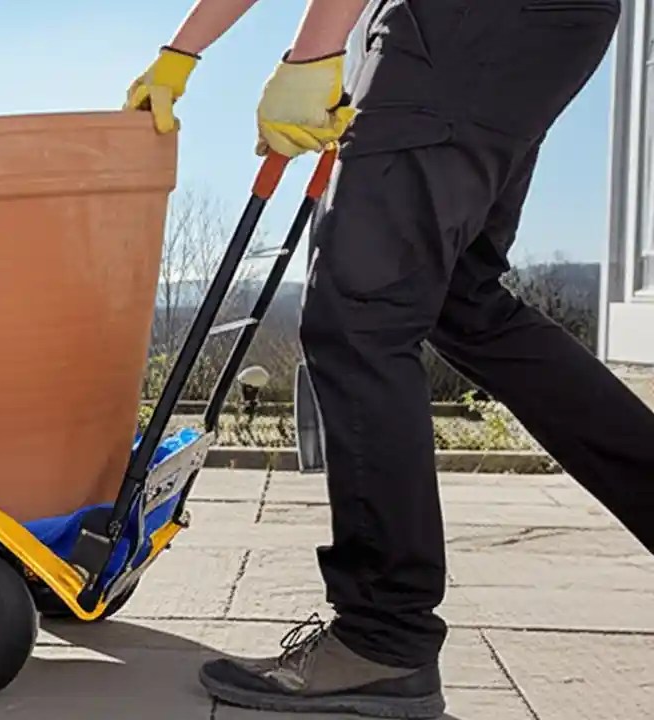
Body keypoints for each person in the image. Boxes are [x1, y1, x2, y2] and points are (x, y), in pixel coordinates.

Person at [124, 1, 654, 718]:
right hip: (517, 28)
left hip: (466, 23)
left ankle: (382, 640)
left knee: (360, 312)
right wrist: (182, 54)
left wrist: (311, 54)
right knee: (458, 299)